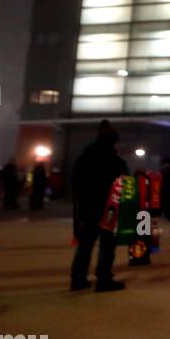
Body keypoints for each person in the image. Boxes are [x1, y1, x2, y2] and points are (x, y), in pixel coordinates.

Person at [69, 120, 128, 292]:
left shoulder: (84, 157)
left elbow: (75, 181)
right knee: (107, 244)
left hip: (87, 208)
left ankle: (78, 279)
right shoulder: (114, 160)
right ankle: (103, 278)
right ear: (113, 142)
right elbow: (124, 181)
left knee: (85, 244)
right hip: (109, 208)